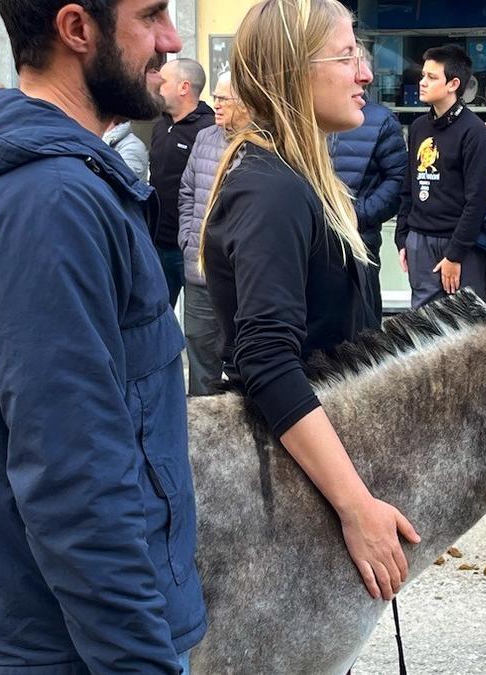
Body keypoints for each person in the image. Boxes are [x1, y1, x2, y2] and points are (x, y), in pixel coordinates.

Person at [0, 0, 206, 671]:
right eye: (151, 16)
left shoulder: (61, 181)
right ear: (77, 29)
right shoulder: (48, 204)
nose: (171, 39)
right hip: (70, 644)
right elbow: (74, 478)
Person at [201, 0, 421, 602]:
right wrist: (355, 507)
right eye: (347, 55)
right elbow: (267, 360)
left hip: (306, 476)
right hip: (289, 485)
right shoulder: (270, 187)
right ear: (291, 72)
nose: (366, 74)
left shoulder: (298, 176)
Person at [396, 44, 486, 309]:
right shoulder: (418, 128)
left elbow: (478, 200)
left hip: (460, 242)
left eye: (431, 77)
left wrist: (455, 254)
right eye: (423, 75)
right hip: (419, 239)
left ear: (453, 84)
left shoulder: (475, 132)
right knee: (423, 329)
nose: (422, 82)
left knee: (468, 327)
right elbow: (409, 187)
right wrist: (402, 237)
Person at [178, 72, 247, 395]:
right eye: (215, 98)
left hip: (239, 278)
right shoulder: (205, 138)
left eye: (223, 99)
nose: (214, 105)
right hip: (199, 272)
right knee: (200, 355)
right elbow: (187, 191)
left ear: (246, 103)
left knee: (240, 359)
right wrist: (188, 239)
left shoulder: (261, 145)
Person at [328, 99, 406, 324]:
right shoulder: (310, 113)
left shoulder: (379, 119)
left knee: (362, 327)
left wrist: (358, 214)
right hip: (314, 239)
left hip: (360, 240)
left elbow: (399, 180)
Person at [150, 58, 214, 307]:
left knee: (200, 328)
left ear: (184, 87)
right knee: (158, 319)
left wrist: (191, 239)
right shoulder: (160, 127)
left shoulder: (209, 131)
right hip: (158, 244)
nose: (157, 87)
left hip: (192, 250)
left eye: (163, 82)